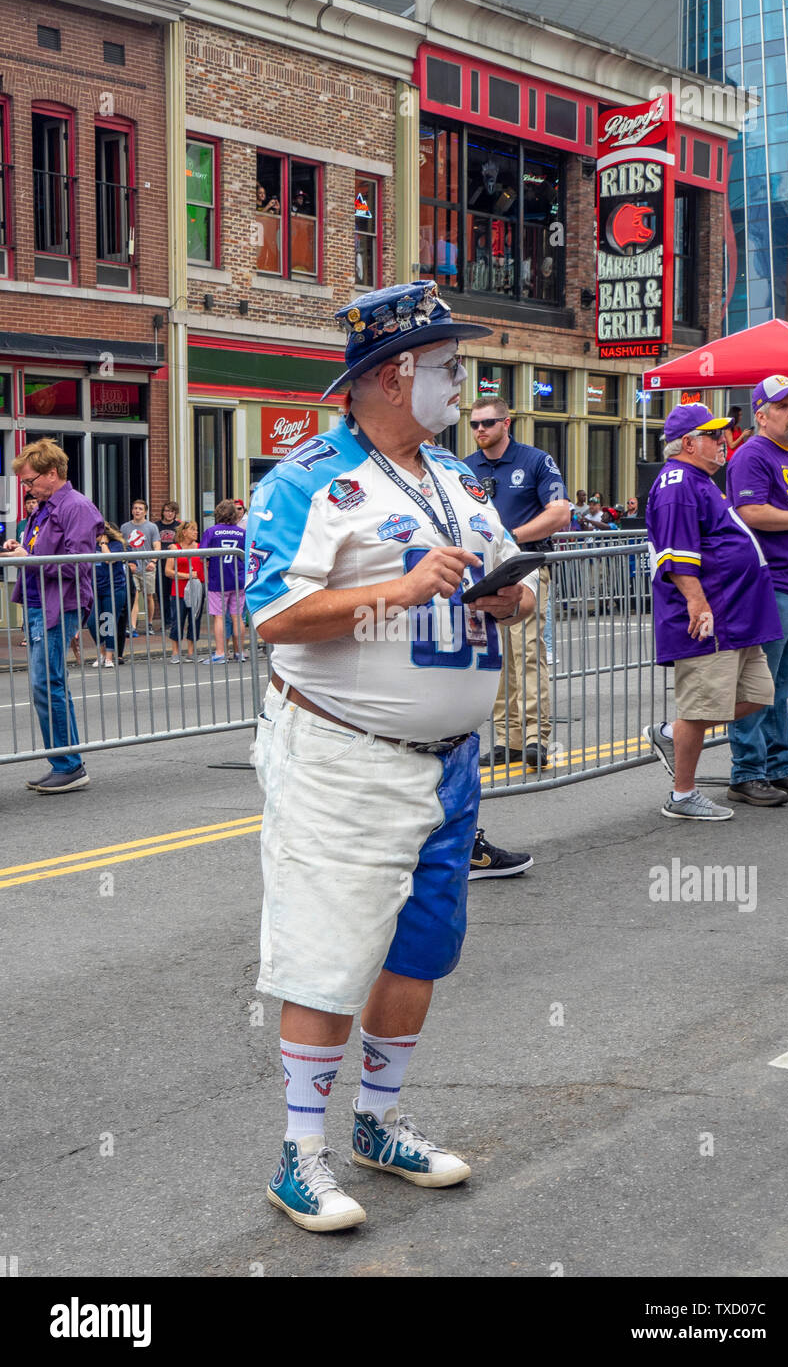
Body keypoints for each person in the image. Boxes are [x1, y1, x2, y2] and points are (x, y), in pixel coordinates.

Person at [244, 279, 539, 1233]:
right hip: (344, 755)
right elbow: (273, 619)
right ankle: (301, 1155)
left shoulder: (454, 478)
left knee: (419, 949)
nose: (463, 383)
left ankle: (377, 1125)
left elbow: (514, 590)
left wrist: (509, 600)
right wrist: (407, 592)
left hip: (448, 759)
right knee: (328, 960)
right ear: (394, 373)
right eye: (450, 366)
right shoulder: (305, 481)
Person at [642, 404, 782, 820]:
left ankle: (671, 734)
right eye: (715, 435)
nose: (724, 442)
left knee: (759, 695)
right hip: (714, 617)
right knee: (702, 707)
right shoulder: (677, 482)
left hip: (737, 616)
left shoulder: (698, 480)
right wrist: (697, 602)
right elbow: (676, 553)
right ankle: (682, 795)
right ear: (689, 443)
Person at [464, 398, 570, 769]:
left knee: (527, 651)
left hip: (523, 562)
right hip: (482, 568)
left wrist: (508, 538)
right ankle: (507, 739)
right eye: (474, 423)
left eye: (488, 423)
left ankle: (534, 738)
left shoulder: (536, 461)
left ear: (506, 423)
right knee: (495, 654)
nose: (480, 430)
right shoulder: (464, 467)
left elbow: (559, 512)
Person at [726, 375, 788, 805]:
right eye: (783, 405)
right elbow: (750, 511)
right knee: (759, 682)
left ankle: (779, 765)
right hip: (771, 584)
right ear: (761, 415)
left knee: (783, 682)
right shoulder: (752, 454)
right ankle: (747, 771)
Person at [3, 437, 103, 792]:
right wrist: (22, 548)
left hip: (59, 604)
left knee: (47, 684)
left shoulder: (76, 506)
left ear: (52, 473)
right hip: (41, 603)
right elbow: (42, 551)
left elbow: (79, 564)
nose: (28, 488)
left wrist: (27, 559)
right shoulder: (45, 507)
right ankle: (66, 761)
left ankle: (69, 764)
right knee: (46, 684)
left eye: (30, 480)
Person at [198, 500, 246, 663]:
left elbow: (202, 555)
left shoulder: (211, 532)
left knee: (218, 616)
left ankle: (220, 653)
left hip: (218, 579)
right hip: (238, 579)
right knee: (237, 616)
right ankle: (239, 652)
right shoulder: (242, 533)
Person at [86, 521, 128, 669]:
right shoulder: (90, 545)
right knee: (91, 622)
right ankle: (102, 652)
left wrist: (103, 543)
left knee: (108, 621)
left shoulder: (117, 544)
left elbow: (109, 559)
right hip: (94, 589)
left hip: (114, 588)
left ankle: (109, 656)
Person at [165, 521, 204, 663]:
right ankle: (175, 652)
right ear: (184, 532)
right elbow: (168, 571)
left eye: (196, 529)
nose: (196, 532)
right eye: (192, 530)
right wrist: (187, 575)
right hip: (179, 590)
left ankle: (191, 652)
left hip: (196, 589)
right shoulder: (175, 548)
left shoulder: (200, 548)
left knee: (195, 620)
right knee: (178, 620)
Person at [121, 499, 161, 636]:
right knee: (135, 596)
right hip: (132, 568)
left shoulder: (151, 527)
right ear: (132, 510)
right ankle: (132, 626)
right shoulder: (125, 527)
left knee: (149, 596)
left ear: (145, 512)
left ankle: (149, 623)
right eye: (135, 508)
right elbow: (123, 546)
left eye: (140, 509)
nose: (137, 511)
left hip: (147, 567)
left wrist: (153, 561)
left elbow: (157, 546)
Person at [155, 500, 180, 628]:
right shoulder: (156, 526)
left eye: (172, 511)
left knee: (175, 593)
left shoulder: (179, 526)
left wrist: (175, 546)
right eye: (166, 511)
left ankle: (176, 620)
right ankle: (166, 622)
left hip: (175, 563)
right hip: (160, 563)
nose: (169, 514)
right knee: (162, 592)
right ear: (162, 512)